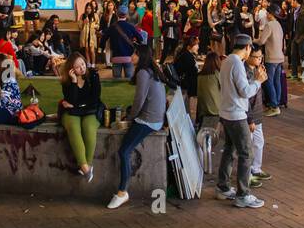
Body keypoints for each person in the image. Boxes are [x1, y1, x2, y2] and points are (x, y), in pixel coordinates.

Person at [107, 46, 167, 210]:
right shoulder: (151, 71)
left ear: (141, 56)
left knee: (124, 151)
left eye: (134, 53)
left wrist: (131, 117)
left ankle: (122, 192)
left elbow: (139, 100)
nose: (132, 56)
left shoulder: (143, 73)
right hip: (156, 119)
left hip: (148, 120)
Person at [214, 33, 267, 209]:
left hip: (227, 112)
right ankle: (243, 194)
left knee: (230, 149)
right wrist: (258, 82)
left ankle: (223, 187)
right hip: (236, 114)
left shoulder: (228, 60)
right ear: (247, 48)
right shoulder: (236, 63)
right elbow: (245, 91)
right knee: (246, 153)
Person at [59, 52, 102, 179]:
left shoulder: (93, 75)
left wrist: (77, 105)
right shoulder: (67, 81)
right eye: (78, 67)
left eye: (83, 64)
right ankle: (85, 167)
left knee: (88, 128)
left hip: (90, 110)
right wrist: (73, 82)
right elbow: (71, 99)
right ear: (71, 69)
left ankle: (87, 166)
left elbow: (94, 98)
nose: (82, 68)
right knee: (73, 127)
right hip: (72, 112)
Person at [244, 45, 272, 187]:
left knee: (259, 142)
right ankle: (247, 174)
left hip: (258, 113)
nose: (259, 60)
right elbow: (246, 97)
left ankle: (256, 168)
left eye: (261, 57)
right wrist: (249, 119)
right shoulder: (244, 72)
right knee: (247, 146)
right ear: (248, 55)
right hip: (250, 115)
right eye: (257, 57)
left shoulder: (256, 70)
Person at [256, 6, 285, 115]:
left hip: (271, 57)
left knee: (268, 81)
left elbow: (262, 41)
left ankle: (274, 106)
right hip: (279, 57)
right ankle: (276, 103)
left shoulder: (269, 25)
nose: (267, 15)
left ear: (271, 14)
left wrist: (253, 40)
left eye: (268, 13)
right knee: (277, 81)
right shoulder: (278, 25)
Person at [104, 13, 144, 80]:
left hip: (116, 57)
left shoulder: (112, 27)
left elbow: (104, 37)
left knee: (116, 80)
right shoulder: (130, 26)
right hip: (128, 57)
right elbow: (140, 38)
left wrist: (101, 48)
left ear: (117, 15)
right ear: (126, 16)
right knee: (129, 79)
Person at [287, 0, 304, 81]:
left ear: (296, 1)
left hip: (302, 36)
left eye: (292, 0)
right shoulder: (293, 10)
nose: (290, 2)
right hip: (294, 35)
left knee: (303, 55)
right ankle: (294, 74)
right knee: (293, 55)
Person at [173, 34, 200, 115]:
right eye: (196, 45)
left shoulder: (186, 55)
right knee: (185, 107)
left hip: (185, 85)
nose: (198, 47)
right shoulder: (187, 57)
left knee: (186, 106)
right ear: (189, 46)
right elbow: (191, 72)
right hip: (185, 85)